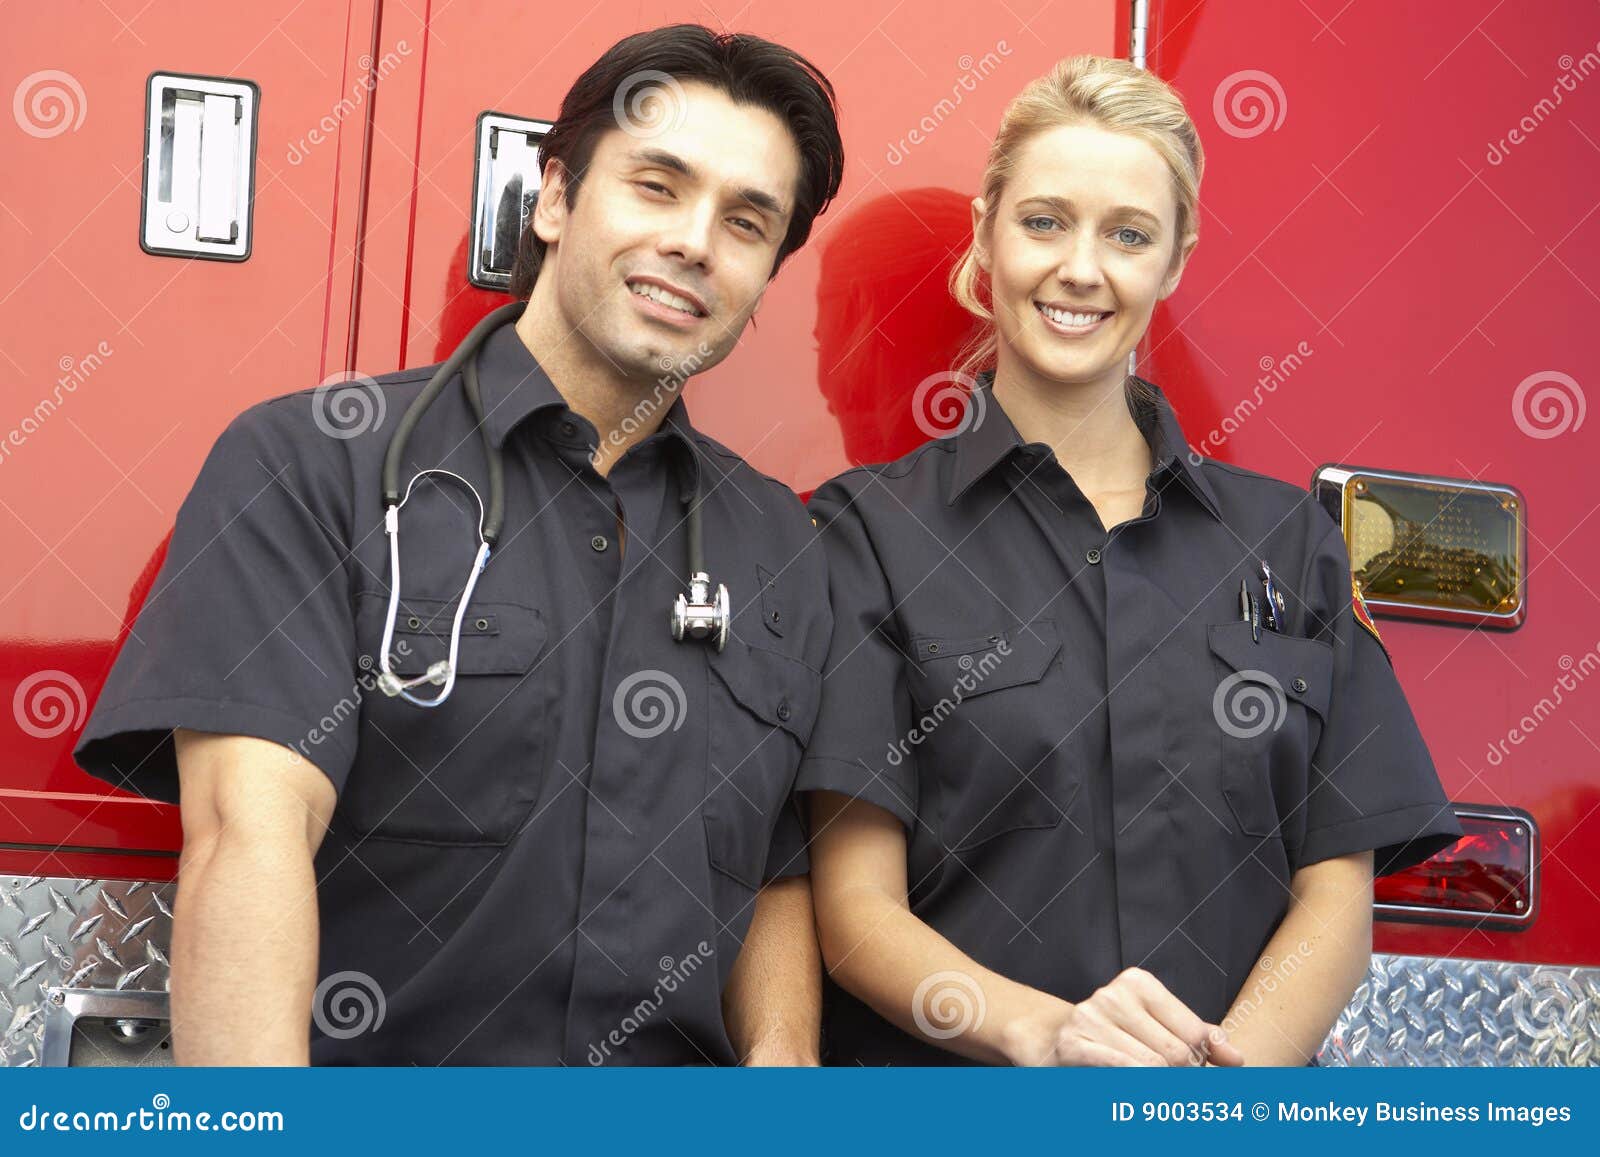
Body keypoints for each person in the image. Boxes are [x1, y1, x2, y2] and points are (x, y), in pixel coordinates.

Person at [73, 23, 843, 1066]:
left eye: (746, 222)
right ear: (558, 198)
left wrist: (781, 1073)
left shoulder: (780, 542)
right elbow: (248, 835)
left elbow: (774, 868)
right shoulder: (313, 464)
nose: (697, 242)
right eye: (658, 187)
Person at [797, 55, 1461, 1067]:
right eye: (1044, 221)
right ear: (985, 233)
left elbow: (1336, 886)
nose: (1080, 269)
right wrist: (1045, 1032)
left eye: (1128, 234)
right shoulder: (863, 533)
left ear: (1175, 260)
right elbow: (852, 911)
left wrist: (1222, 1086)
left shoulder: (1288, 544)